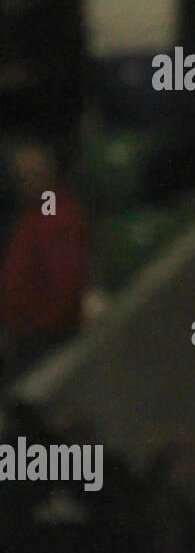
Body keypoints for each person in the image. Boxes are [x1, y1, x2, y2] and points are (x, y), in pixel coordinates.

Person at [0, 143, 88, 382]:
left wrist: (38, 329)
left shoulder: (58, 215)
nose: (28, 183)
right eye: (22, 177)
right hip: (26, 337)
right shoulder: (33, 216)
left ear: (51, 173)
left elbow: (66, 283)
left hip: (46, 340)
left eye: (35, 175)